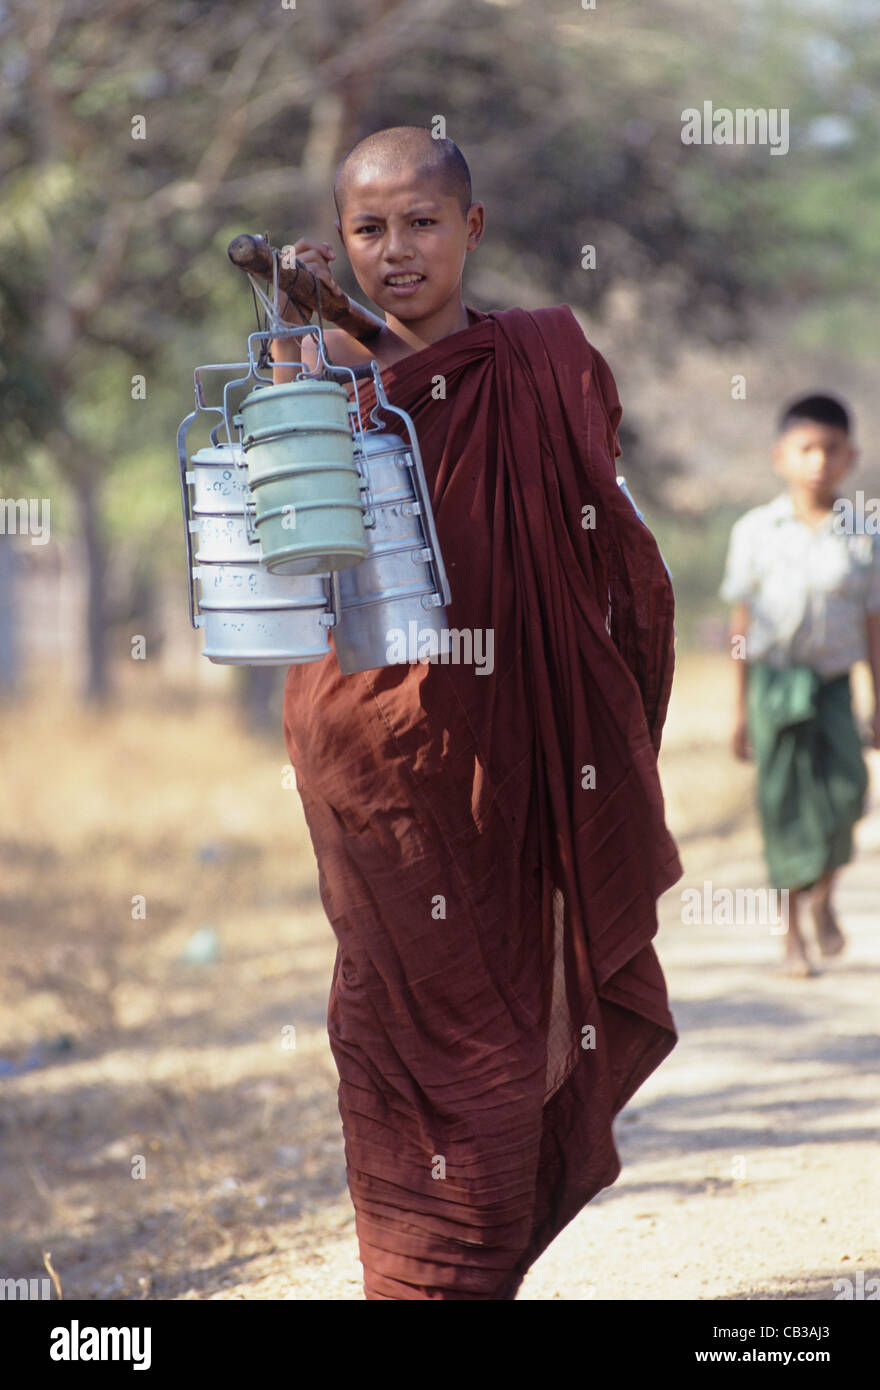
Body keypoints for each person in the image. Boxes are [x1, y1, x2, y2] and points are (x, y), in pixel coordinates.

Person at [270, 125, 681, 1299]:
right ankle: (413, 1273)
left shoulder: (544, 360)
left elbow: (610, 546)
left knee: (502, 1038)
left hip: (519, 756)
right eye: (367, 230)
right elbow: (293, 555)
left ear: (472, 230)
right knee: (390, 1017)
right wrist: (309, 339)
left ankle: (471, 1263)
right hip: (377, 769)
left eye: (420, 223)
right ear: (339, 240)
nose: (395, 251)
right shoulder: (315, 378)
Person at [720, 393, 880, 978]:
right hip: (773, 683)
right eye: (806, 449)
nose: (819, 461)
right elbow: (740, 626)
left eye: (831, 449)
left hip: (834, 685)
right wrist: (737, 710)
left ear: (850, 456)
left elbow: (873, 625)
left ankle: (823, 897)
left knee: (846, 795)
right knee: (784, 805)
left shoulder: (864, 534)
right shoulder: (756, 531)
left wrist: (877, 700)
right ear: (780, 456)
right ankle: (791, 936)